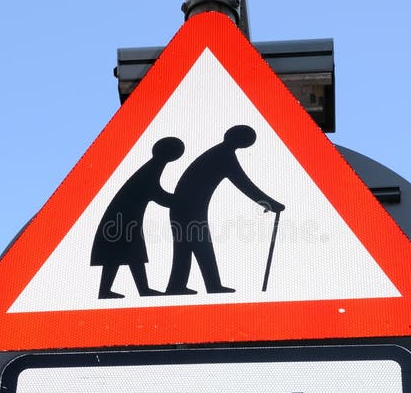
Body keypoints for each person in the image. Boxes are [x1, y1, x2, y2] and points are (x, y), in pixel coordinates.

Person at [165, 125, 284, 295]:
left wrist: (269, 204)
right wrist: (271, 205)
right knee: (200, 246)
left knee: (187, 246)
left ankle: (177, 286)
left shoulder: (219, 152)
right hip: (190, 208)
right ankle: (210, 285)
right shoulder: (224, 156)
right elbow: (244, 184)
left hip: (185, 207)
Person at [91, 137, 184, 298]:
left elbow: (153, 191)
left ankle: (138, 290)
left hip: (125, 217)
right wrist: (179, 201)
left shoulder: (152, 166)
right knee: (121, 254)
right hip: (123, 219)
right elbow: (154, 191)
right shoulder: (153, 167)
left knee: (127, 254)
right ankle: (111, 291)